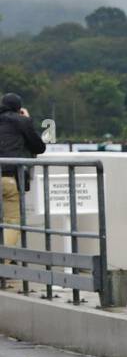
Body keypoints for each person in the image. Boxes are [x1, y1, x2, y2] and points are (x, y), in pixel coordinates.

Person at [0, 93, 46, 252]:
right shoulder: (22, 121)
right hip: (9, 178)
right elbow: (39, 147)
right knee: (12, 221)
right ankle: (3, 262)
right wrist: (28, 120)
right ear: (19, 108)